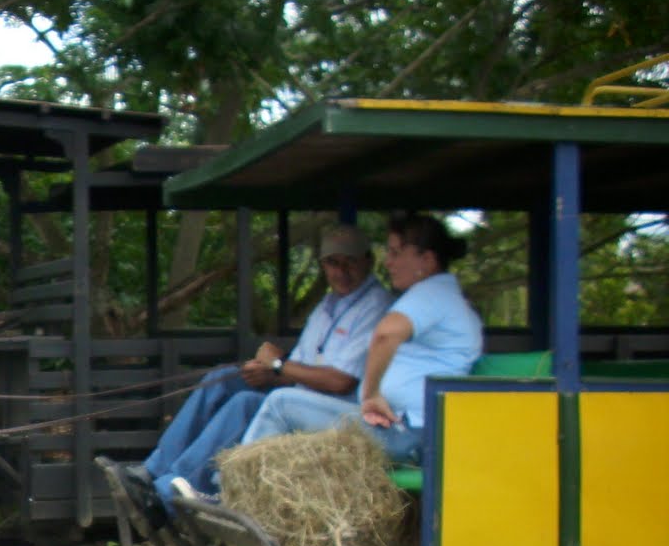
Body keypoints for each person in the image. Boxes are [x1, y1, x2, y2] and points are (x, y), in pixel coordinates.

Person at [127, 224, 393, 513]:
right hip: (301, 395)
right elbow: (298, 366)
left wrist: (278, 365)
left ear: (369, 260)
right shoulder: (329, 304)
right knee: (222, 379)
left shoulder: (375, 305)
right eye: (332, 263)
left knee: (245, 404)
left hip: (335, 410)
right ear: (322, 265)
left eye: (349, 262)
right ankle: (153, 470)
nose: (340, 271)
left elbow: (341, 381)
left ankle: (168, 493)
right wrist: (269, 372)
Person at [237, 212, 483, 464]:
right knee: (263, 400)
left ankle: (232, 495)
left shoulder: (434, 294)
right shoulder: (440, 296)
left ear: (427, 260)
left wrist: (371, 395)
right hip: (398, 425)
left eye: (396, 253)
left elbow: (386, 333)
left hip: (407, 432)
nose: (388, 262)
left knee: (281, 404)